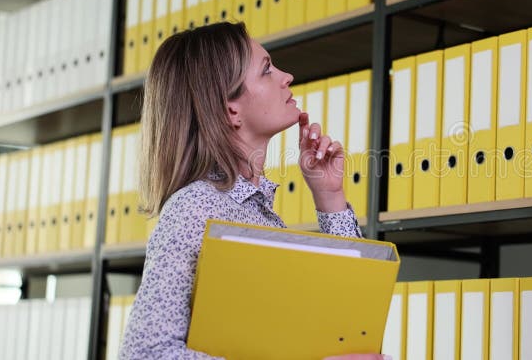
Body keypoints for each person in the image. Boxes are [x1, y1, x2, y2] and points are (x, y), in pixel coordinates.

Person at [119, 22, 387, 360]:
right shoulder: (195, 209)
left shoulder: (256, 208)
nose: (286, 76)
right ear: (231, 109)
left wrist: (329, 196)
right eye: (266, 70)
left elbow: (355, 317)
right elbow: (145, 353)